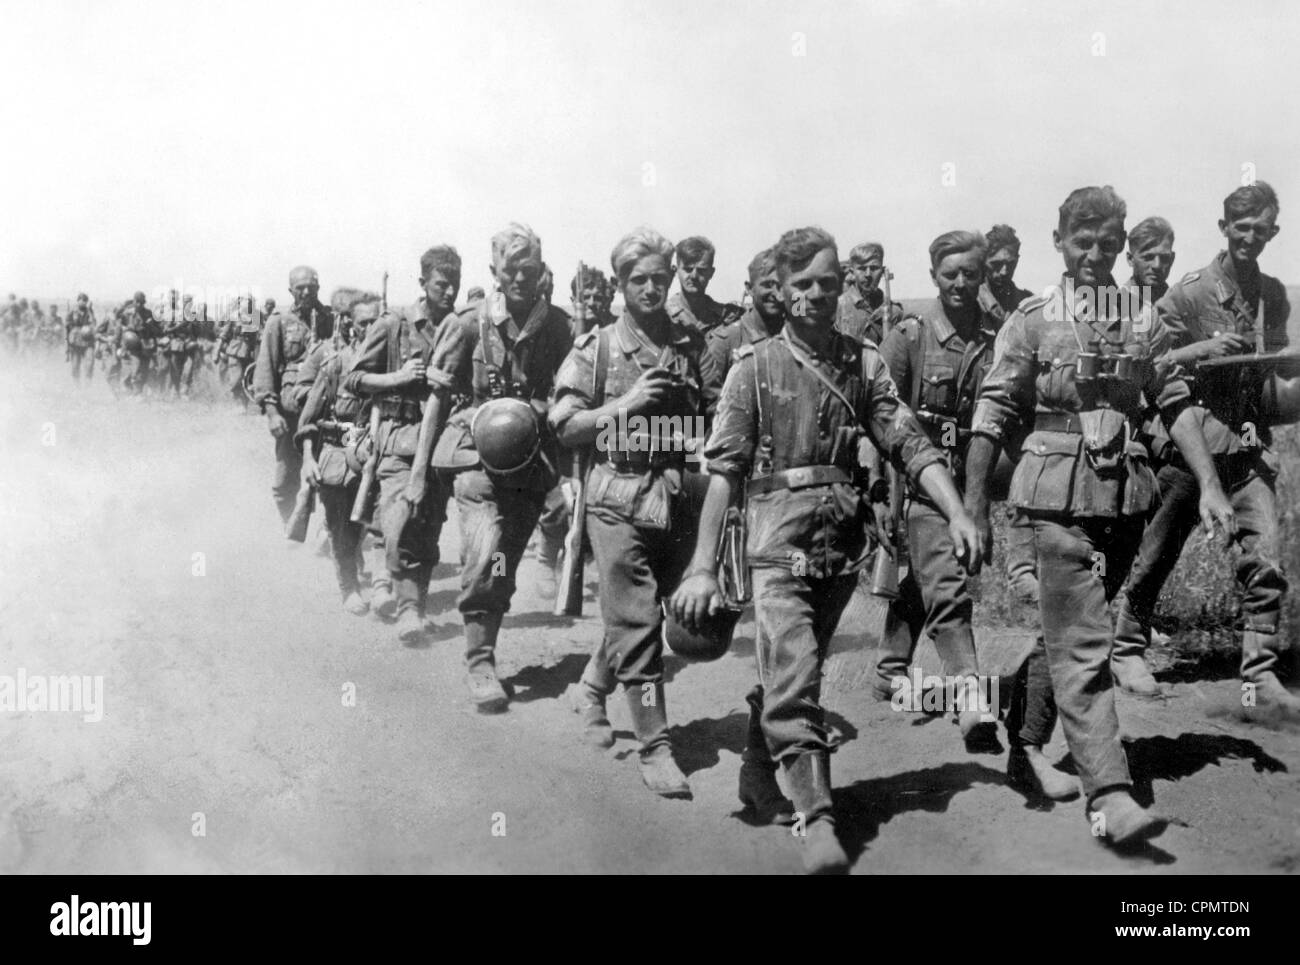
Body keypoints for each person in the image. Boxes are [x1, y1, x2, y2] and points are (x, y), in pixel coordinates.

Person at [672, 226, 978, 873]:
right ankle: (817, 818)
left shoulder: (863, 363)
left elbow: (909, 443)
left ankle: (759, 775)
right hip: (777, 541)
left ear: (842, 286)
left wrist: (954, 510)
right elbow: (724, 471)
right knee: (796, 669)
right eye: (803, 284)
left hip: (842, 545)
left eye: (828, 283)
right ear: (780, 290)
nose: (816, 294)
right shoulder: (752, 367)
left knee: (794, 669)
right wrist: (701, 565)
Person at [964, 185, 1234, 846]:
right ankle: (1109, 793)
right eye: (1082, 242)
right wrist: (972, 508)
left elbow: (1173, 402)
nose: (1096, 254)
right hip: (1055, 500)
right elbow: (991, 416)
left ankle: (1025, 740)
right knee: (1087, 642)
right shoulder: (1031, 320)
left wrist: (1208, 483)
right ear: (1058, 241)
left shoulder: (1141, 319)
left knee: (1069, 631)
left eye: (1108, 243)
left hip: (1125, 503)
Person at [1112, 182, 1295, 707]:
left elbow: (1270, 377)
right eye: (1241, 228)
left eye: (1261, 230)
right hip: (1188, 445)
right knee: (1156, 556)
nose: (1250, 238)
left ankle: (1258, 675)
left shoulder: (1274, 295)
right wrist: (1203, 348)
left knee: (1266, 560)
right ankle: (1126, 650)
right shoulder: (1191, 292)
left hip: (1246, 449)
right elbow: (1149, 362)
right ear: (1224, 228)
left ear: (1272, 233)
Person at [552, 226, 706, 797]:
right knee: (639, 621)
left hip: (676, 494)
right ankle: (656, 745)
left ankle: (591, 689)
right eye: (637, 279)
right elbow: (564, 424)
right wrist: (624, 405)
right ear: (619, 284)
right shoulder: (597, 348)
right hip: (615, 492)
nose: (649, 287)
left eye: (659, 278)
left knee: (640, 611)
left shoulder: (690, 345)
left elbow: (708, 420)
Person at [871, 231, 1004, 748]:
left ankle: (888, 668)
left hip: (968, 480)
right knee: (947, 581)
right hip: (919, 482)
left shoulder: (994, 342)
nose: (960, 283)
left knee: (926, 576)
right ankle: (969, 690)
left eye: (971, 273)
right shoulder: (909, 337)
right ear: (933, 276)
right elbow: (878, 419)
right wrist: (884, 495)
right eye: (950, 273)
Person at [440, 224, 573, 711]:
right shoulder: (469, 323)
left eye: (530, 269)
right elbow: (438, 392)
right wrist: (418, 473)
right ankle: (479, 662)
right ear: (494, 270)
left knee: (503, 562)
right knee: (482, 552)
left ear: (541, 272)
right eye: (511, 269)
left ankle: (486, 646)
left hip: (530, 464)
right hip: (476, 461)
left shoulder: (559, 327)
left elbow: (573, 395)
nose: (521, 277)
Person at [345, 248, 467, 641]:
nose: (449, 291)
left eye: (454, 283)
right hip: (397, 438)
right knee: (398, 524)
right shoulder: (394, 324)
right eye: (440, 284)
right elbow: (355, 378)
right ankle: (402, 599)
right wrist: (397, 378)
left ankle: (414, 606)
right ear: (423, 284)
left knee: (429, 526)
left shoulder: (457, 328)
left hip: (440, 442)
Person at [297, 298, 382, 616]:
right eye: (364, 323)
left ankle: (371, 574)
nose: (371, 329)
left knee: (365, 527)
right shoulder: (334, 364)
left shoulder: (389, 367)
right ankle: (348, 588)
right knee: (340, 528)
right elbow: (307, 420)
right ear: (351, 325)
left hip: (374, 455)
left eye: (376, 322)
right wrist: (308, 458)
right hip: (335, 455)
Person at [252, 266, 334, 524]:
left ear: (319, 288)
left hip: (325, 409)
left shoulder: (331, 319)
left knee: (330, 472)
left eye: (311, 286)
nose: (307, 291)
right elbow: (265, 369)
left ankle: (329, 531)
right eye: (300, 288)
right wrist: (272, 413)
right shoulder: (279, 321)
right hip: (291, 413)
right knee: (286, 476)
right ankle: (290, 526)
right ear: (291, 290)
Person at [700, 247, 784, 421]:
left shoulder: (794, 335)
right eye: (767, 285)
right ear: (749, 288)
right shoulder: (725, 341)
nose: (776, 293)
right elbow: (710, 408)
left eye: (781, 285)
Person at [835, 241, 904, 343]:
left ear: (883, 272)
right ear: (852, 272)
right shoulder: (838, 307)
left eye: (874, 268)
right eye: (862, 269)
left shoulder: (894, 312)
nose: (868, 274)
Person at [666, 235, 732, 335]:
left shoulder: (726, 317)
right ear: (676, 270)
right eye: (688, 269)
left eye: (701, 270)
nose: (694, 276)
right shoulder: (663, 316)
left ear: (711, 273)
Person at [979, 224, 1035, 322]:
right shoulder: (970, 301)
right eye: (996, 264)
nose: (1004, 272)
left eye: (1010, 264)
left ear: (1017, 260)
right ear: (983, 261)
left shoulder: (1028, 302)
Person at [65, 294, 96, 383]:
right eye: (81, 300)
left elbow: (93, 323)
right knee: (75, 365)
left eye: (85, 301)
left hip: (87, 341)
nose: (83, 302)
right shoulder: (72, 311)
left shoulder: (89, 311)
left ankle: (88, 384)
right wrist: (67, 343)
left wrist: (90, 310)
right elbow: (67, 326)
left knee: (90, 363)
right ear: (78, 301)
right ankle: (76, 385)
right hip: (75, 342)